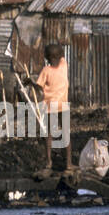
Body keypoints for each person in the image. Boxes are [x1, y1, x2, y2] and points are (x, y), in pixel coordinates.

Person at [27, 42, 72, 171]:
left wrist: (30, 82)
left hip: (50, 106)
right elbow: (60, 54)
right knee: (66, 134)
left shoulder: (46, 71)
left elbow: (39, 88)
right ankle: (68, 163)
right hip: (63, 105)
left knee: (49, 135)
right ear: (60, 56)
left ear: (47, 58)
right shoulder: (64, 65)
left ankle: (49, 162)